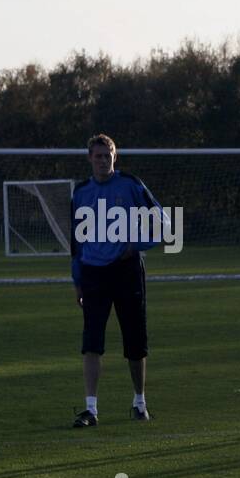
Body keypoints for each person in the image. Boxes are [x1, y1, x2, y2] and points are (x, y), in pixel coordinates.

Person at [70, 133, 163, 427]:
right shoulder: (80, 192)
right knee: (91, 341)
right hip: (93, 274)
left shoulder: (131, 184)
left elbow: (163, 221)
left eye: (107, 154)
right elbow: (76, 243)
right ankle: (91, 409)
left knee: (135, 341)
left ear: (115, 156)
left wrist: (136, 245)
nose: (102, 160)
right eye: (97, 155)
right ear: (89, 158)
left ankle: (139, 402)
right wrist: (77, 281)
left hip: (127, 271)